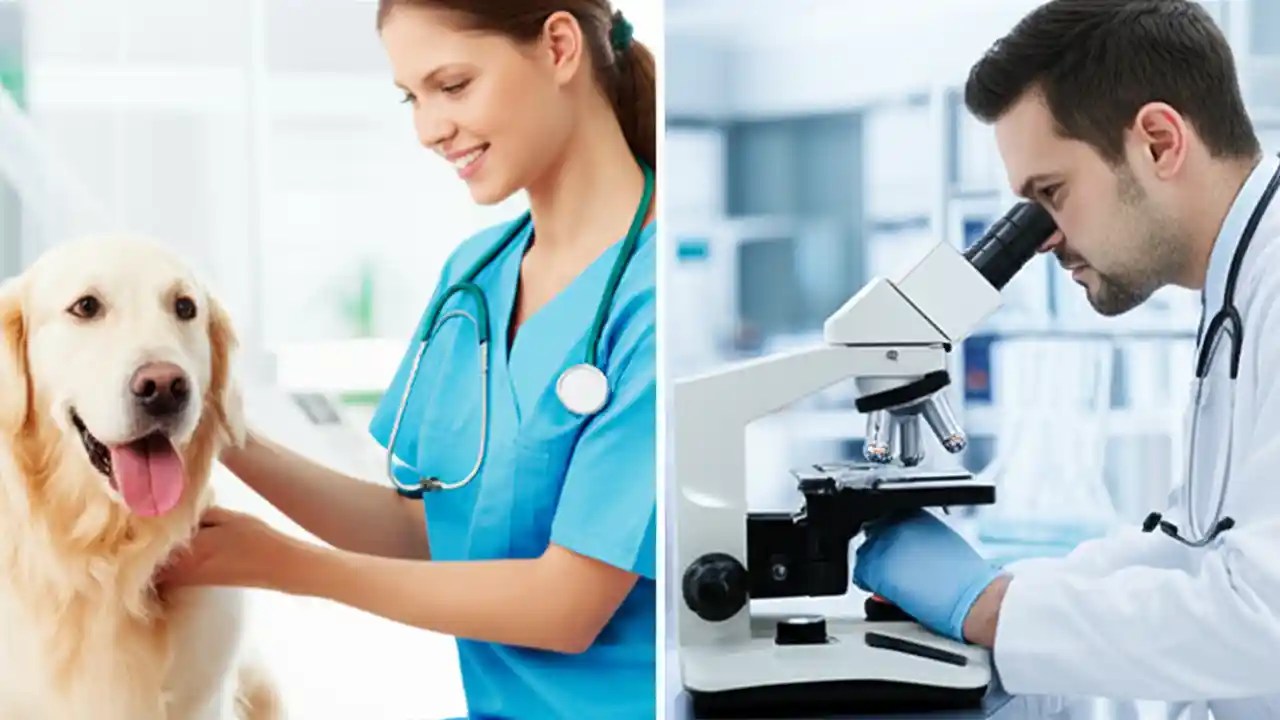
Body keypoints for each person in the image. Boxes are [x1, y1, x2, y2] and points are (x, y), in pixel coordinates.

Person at [158, 2, 658, 718]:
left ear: (558, 46)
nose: (429, 130)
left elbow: (565, 606)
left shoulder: (653, 294)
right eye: (411, 99)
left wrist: (284, 565)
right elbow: (426, 531)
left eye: (452, 86)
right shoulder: (474, 278)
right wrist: (217, 429)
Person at [851, 0, 1280, 714]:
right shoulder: (1238, 289)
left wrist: (992, 609)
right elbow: (1190, 547)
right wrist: (1005, 587)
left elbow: (1265, 619)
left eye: (1051, 195)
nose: (1042, 238)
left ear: (1158, 142)